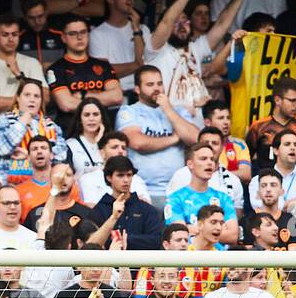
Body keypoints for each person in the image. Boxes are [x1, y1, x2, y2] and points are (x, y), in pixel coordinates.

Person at [115, 64, 198, 203]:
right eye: (150, 84)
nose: (156, 88)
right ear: (137, 89)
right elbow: (137, 143)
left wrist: (168, 109)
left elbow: (196, 139)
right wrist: (176, 138)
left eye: (159, 83)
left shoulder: (177, 111)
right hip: (143, 190)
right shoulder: (128, 111)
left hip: (180, 189)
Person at [47, 18, 121, 120]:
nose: (79, 37)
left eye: (83, 32)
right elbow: (67, 104)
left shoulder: (103, 65)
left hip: (103, 127)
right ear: (63, 38)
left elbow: (117, 97)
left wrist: (83, 95)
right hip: (70, 129)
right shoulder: (55, 69)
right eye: (73, 33)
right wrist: (102, 98)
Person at [0, 16, 45, 119]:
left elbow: (45, 98)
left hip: (32, 129)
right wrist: (28, 101)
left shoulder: (32, 63)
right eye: (5, 35)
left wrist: (18, 74)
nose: (10, 39)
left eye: (14, 34)